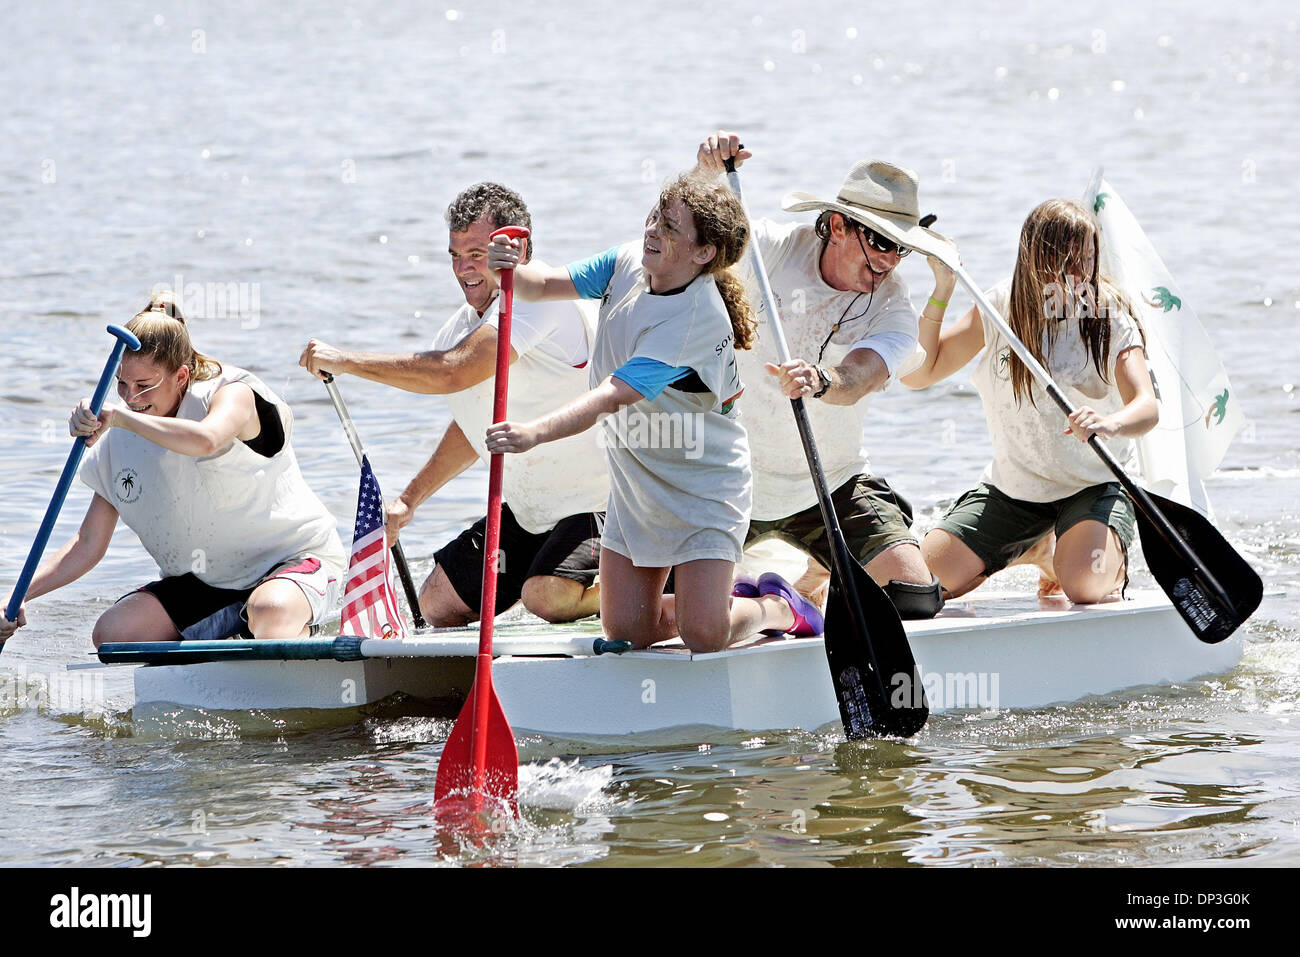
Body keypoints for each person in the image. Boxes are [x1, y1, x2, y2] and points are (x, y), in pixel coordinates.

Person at [484, 172, 824, 653]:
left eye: (668, 226)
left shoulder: (694, 320)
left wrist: (534, 433)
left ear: (703, 252)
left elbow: (612, 395)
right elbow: (539, 285)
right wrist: (508, 268)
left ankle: (781, 607)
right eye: (653, 217)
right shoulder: (626, 261)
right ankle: (709, 603)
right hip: (637, 477)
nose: (651, 231)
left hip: (704, 484)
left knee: (703, 635)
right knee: (627, 632)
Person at [299, 183, 608, 626]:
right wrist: (410, 500)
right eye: (454, 255)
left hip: (601, 504)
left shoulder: (541, 301)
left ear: (515, 249)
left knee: (545, 595)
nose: (463, 269)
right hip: (528, 510)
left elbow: (452, 371)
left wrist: (348, 362)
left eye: (476, 254)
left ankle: (648, 582)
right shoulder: (460, 327)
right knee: (435, 606)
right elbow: (472, 424)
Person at [695, 132, 954, 619]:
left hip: (830, 483)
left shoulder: (895, 306)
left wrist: (822, 380)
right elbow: (689, 238)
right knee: (674, 602)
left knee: (915, 598)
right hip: (733, 480)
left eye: (901, 248)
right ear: (838, 225)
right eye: (879, 241)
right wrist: (706, 175)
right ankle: (784, 601)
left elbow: (862, 376)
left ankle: (818, 576)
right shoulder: (769, 249)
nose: (888, 261)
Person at [0, 294, 345, 648]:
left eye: (143, 385)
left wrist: (120, 418)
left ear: (181, 376)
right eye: (122, 384)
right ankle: (239, 635)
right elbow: (88, 543)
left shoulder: (232, 394)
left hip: (293, 562)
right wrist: (18, 597)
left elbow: (207, 439)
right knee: (114, 635)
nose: (130, 397)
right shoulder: (117, 441)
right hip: (210, 584)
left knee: (270, 611)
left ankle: (293, 629)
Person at [901, 198, 1158, 603]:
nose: (1078, 276)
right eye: (1066, 263)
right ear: (1035, 260)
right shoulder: (999, 306)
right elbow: (919, 374)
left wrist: (1110, 423)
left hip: (1093, 486)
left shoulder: (1110, 318)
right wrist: (942, 290)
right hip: (1014, 490)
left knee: (1084, 586)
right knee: (917, 586)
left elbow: (1147, 407)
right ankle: (1035, 547)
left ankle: (1096, 553)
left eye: (1087, 262)